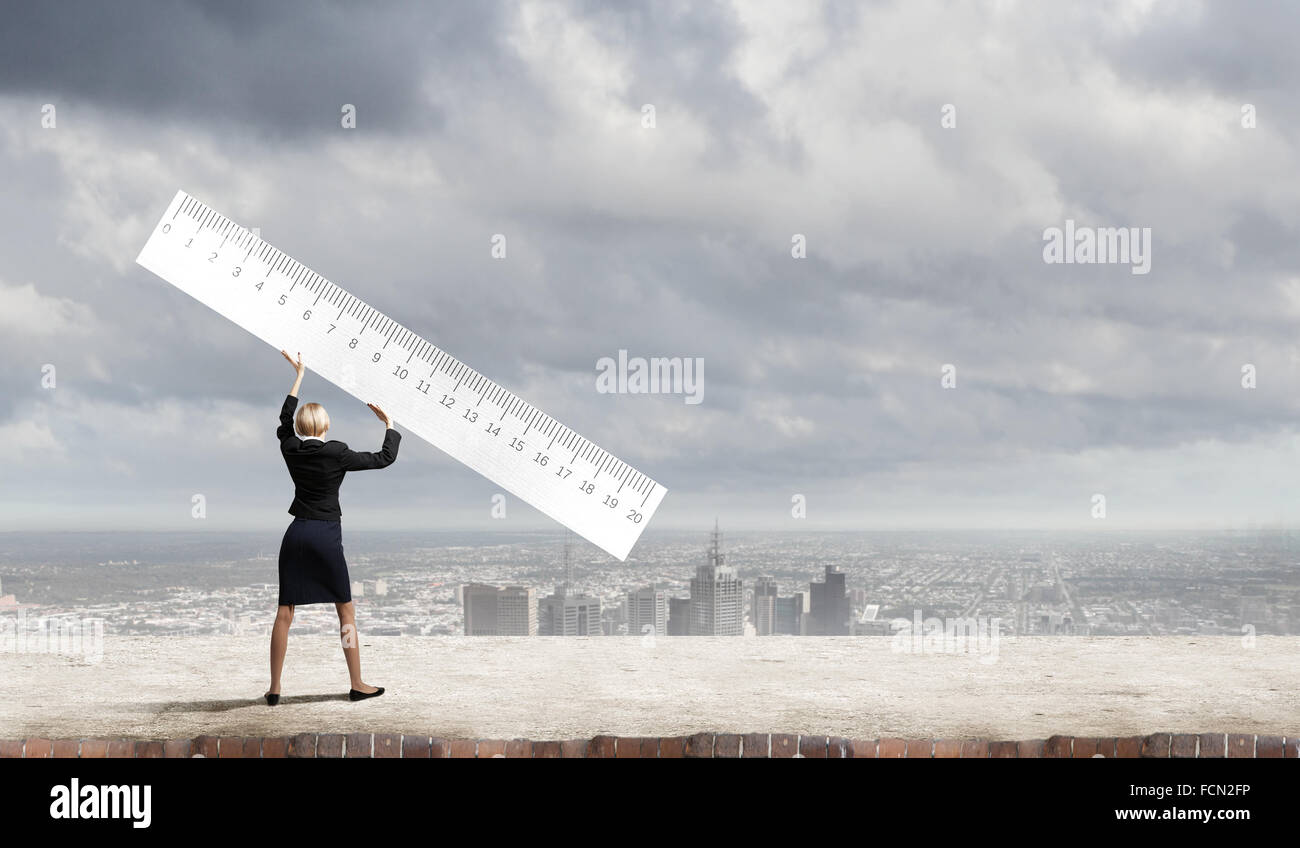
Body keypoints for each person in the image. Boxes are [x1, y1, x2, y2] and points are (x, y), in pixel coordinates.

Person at [265, 349, 401, 706]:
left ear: (299, 428)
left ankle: (275, 688)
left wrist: (298, 376)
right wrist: (389, 425)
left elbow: (282, 422)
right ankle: (357, 682)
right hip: (326, 536)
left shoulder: (290, 447)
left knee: (285, 613)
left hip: (295, 535)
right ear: (326, 427)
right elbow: (383, 459)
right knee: (345, 611)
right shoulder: (337, 452)